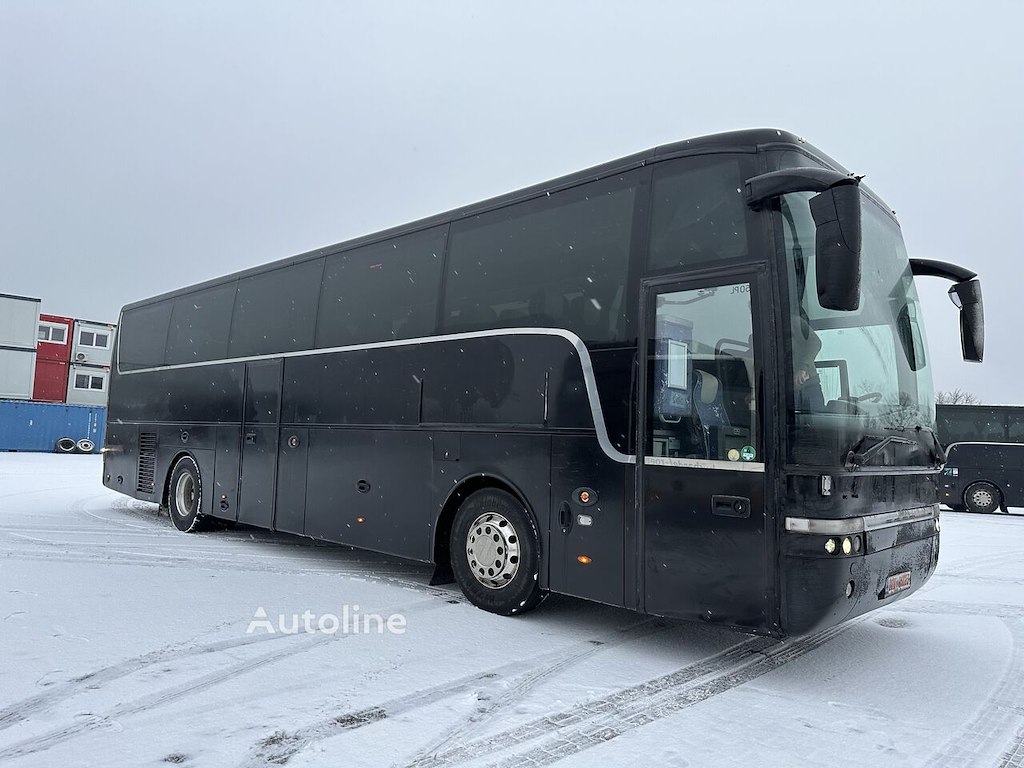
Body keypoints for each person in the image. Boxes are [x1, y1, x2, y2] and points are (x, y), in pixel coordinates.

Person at [793, 317, 825, 412]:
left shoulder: (794, 322)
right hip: (781, 392)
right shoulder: (760, 334)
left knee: (818, 423)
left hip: (809, 386)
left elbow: (815, 342)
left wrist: (803, 368)